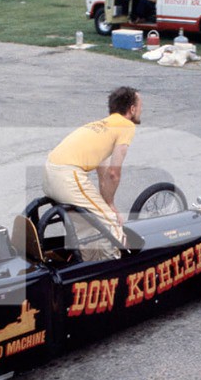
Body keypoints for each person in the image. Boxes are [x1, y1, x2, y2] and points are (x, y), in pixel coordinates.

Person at [42, 87, 142, 261]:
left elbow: (103, 175)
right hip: (67, 175)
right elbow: (113, 173)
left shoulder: (100, 126)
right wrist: (111, 211)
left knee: (87, 227)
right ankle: (117, 269)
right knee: (111, 224)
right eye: (140, 106)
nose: (141, 110)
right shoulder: (126, 126)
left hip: (50, 172)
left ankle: (88, 266)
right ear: (132, 109)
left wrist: (108, 203)